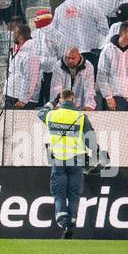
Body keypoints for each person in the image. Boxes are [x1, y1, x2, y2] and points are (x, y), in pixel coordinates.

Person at [38, 89, 97, 239]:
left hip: (58, 160)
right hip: (76, 160)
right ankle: (71, 222)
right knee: (73, 194)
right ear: (73, 99)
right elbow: (91, 141)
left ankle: (64, 223)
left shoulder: (51, 115)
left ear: (61, 99)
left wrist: (53, 101)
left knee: (59, 194)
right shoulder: (81, 117)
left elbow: (41, 112)